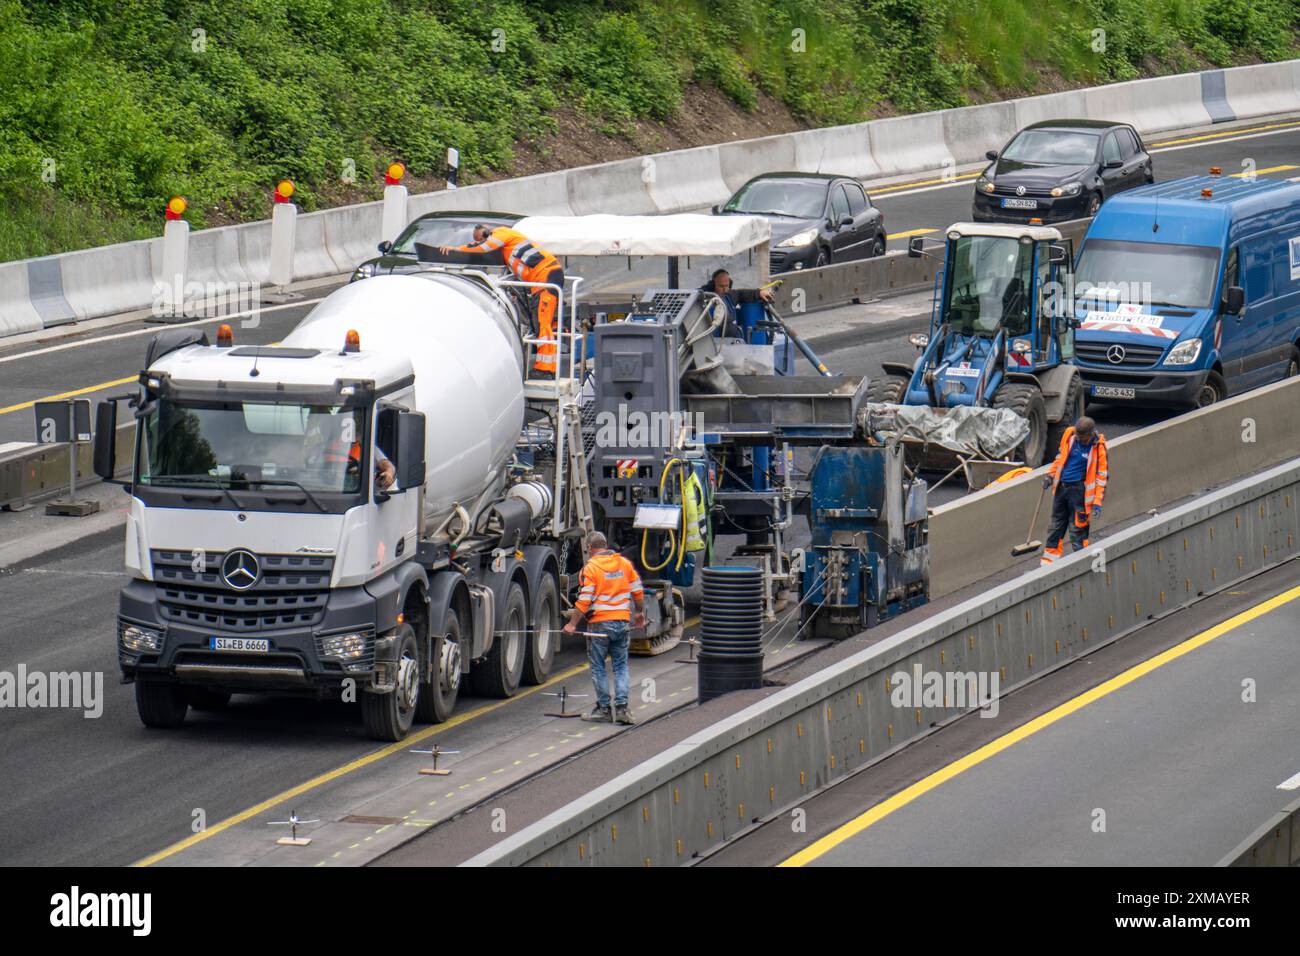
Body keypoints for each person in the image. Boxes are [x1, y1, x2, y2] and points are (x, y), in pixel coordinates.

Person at [439, 224, 564, 376]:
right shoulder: (500, 239)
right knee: (540, 324)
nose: (480, 242)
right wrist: (454, 248)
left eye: (480, 239)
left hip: (545, 276)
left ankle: (545, 370)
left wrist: (459, 250)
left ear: (486, 233)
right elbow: (478, 245)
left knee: (543, 323)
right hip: (542, 278)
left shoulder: (501, 233)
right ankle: (546, 368)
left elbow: (485, 247)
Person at [564, 531, 645, 724]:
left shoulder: (591, 568)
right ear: (606, 545)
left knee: (599, 667)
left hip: (600, 625)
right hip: (622, 623)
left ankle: (603, 709)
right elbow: (637, 590)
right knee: (620, 666)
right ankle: (623, 708)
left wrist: (572, 623)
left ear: (590, 548)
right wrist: (640, 613)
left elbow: (584, 600)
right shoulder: (624, 564)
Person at [1040, 416, 1108, 566]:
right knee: (1055, 527)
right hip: (1061, 489)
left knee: (1077, 530)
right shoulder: (1070, 436)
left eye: (1081, 437)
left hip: (1079, 495)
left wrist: (1097, 502)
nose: (1078, 438)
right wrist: (1050, 475)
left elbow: (1101, 477)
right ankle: (1048, 565)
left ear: (1091, 434)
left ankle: (1081, 563)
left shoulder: (1098, 448)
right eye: (1077, 435)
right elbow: (1060, 459)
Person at [699, 269, 775, 338]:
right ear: (713, 285)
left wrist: (759, 293)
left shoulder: (729, 295)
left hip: (734, 342)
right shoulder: (706, 299)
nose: (725, 289)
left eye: (727, 286)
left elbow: (742, 293)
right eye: (721, 286)